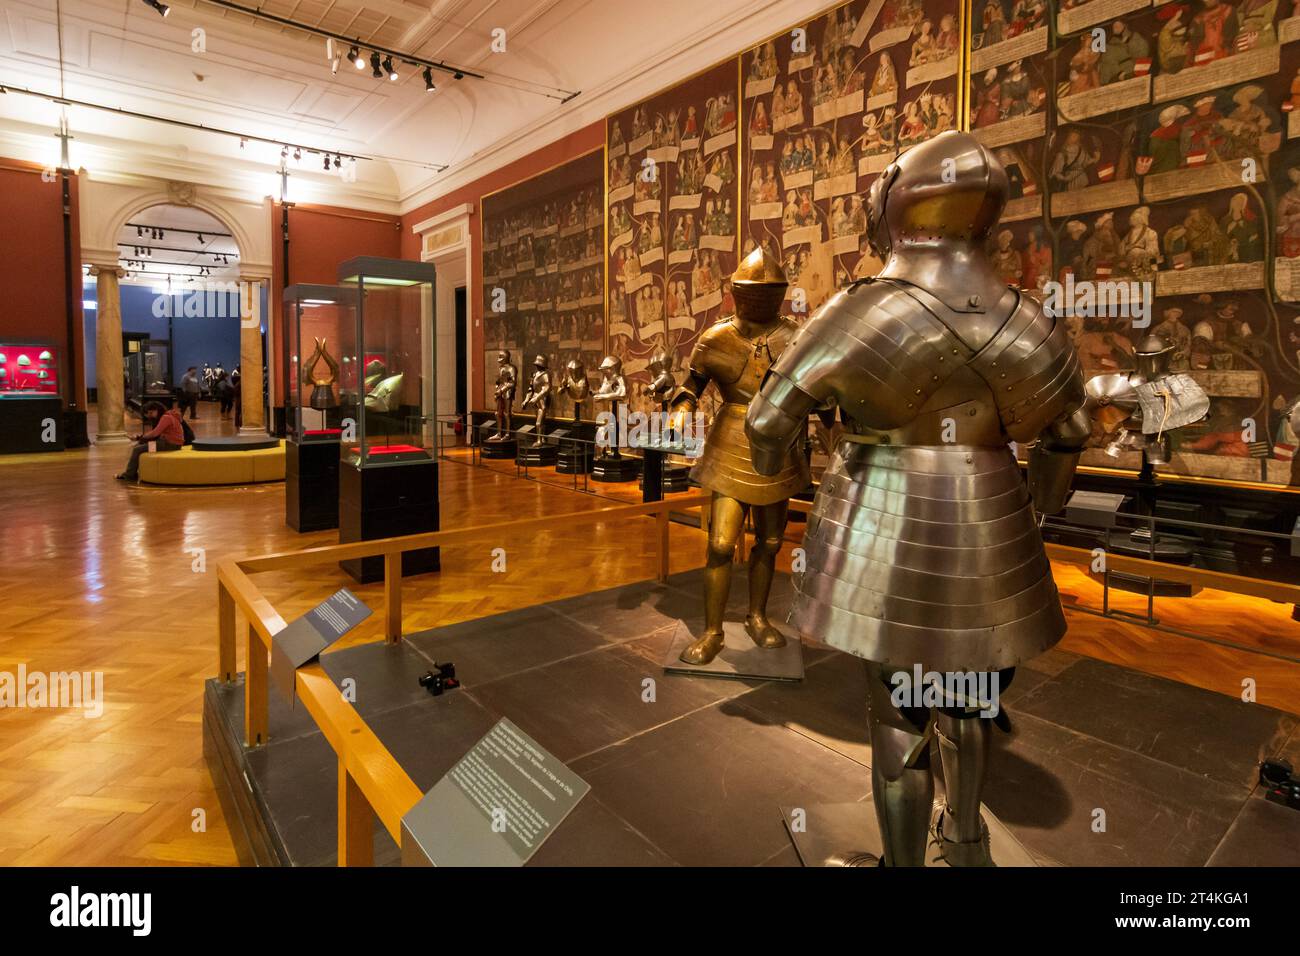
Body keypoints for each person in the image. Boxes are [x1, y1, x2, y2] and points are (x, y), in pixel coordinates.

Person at [116, 402, 185, 482]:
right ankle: (132, 473)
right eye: (148, 414)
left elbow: (155, 433)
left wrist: (140, 437)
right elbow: (155, 433)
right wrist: (140, 438)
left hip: (169, 445)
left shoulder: (166, 417)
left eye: (151, 413)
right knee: (139, 446)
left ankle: (129, 475)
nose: (150, 415)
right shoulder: (168, 415)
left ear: (157, 410)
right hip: (169, 443)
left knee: (137, 449)